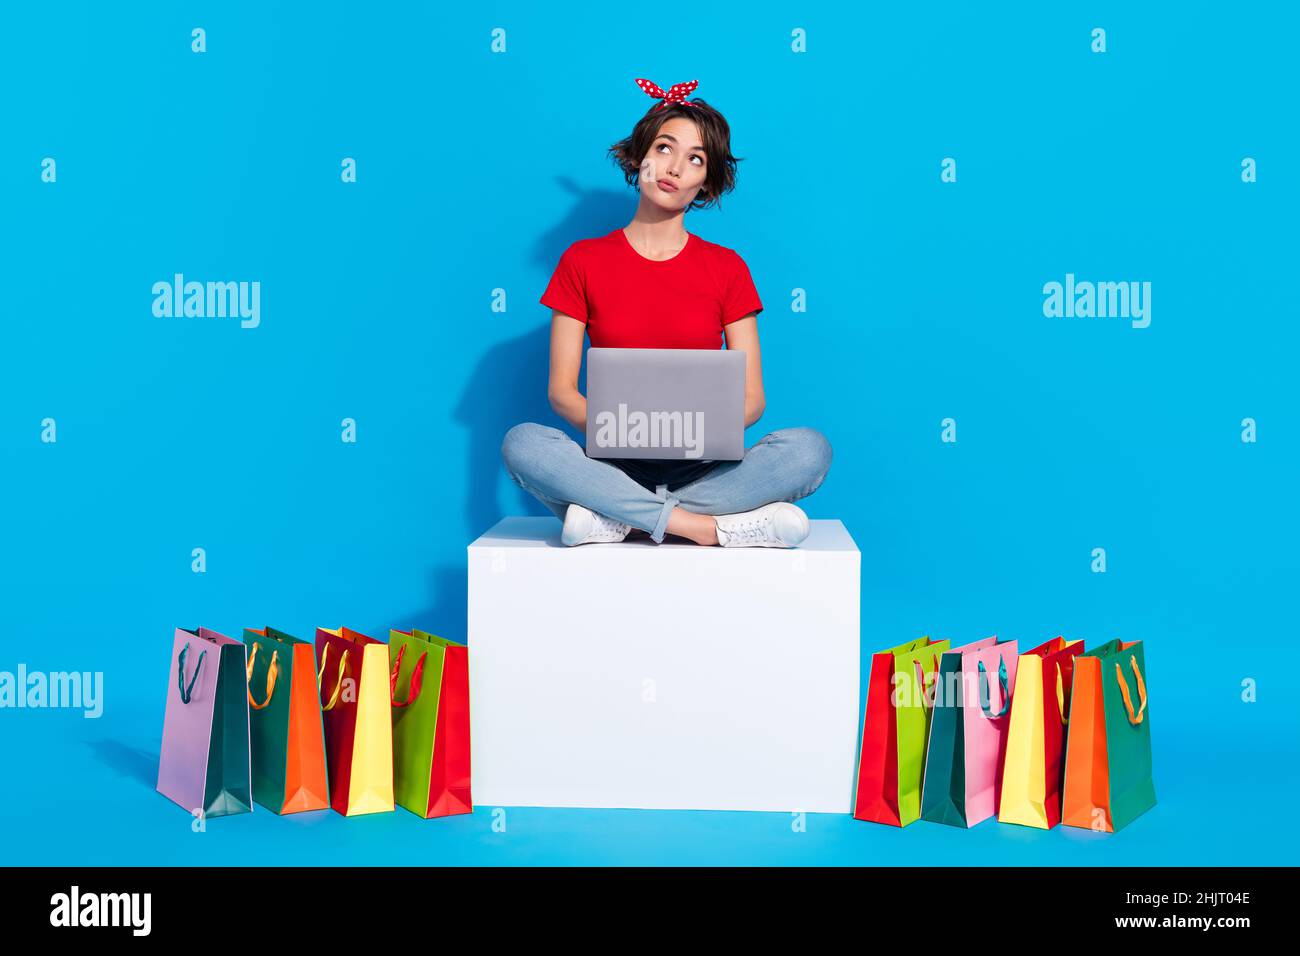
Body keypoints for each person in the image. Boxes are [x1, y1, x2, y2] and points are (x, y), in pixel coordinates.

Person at [501, 77, 832, 548]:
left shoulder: (728, 268)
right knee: (524, 444)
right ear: (639, 156)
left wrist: (693, 432)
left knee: (808, 449)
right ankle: (706, 530)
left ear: (707, 182)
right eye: (664, 147)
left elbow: (753, 401)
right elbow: (562, 393)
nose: (674, 167)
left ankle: (617, 520)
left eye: (695, 158)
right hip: (611, 465)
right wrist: (627, 432)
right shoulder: (582, 261)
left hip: (707, 468)